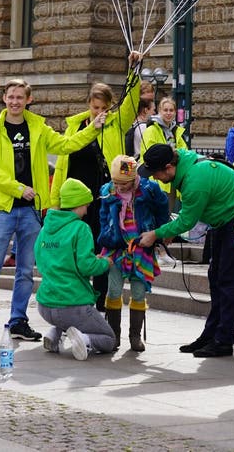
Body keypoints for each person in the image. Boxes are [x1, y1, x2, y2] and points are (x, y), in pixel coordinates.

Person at [0, 78, 108, 344]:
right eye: (11, 97)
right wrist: (18, 189)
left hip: (31, 210)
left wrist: (93, 129)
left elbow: (66, 145)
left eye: (20, 97)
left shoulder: (38, 128)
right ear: (4, 98)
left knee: (25, 270)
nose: (15, 101)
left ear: (28, 99)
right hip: (4, 209)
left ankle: (18, 321)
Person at [138, 143, 234, 357]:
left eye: (156, 174)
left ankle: (224, 340)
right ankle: (211, 334)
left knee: (229, 282)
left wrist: (155, 234)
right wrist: (167, 230)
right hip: (224, 222)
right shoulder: (184, 163)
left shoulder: (194, 180)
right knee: (216, 278)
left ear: (169, 167)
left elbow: (187, 221)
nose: (155, 178)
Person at [50, 51, 142, 309]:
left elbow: (130, 101)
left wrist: (133, 71)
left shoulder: (116, 123)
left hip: (103, 198)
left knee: (102, 245)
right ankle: (75, 295)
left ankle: (101, 298)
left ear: (110, 107)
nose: (99, 112)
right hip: (74, 201)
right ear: (88, 105)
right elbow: (62, 164)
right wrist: (55, 201)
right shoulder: (75, 126)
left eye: (103, 108)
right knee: (75, 247)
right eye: (95, 107)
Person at [34, 178, 116, 361]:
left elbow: (42, 258)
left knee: (65, 318)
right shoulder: (80, 228)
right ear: (78, 204)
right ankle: (83, 340)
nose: (86, 211)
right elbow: (86, 266)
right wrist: (105, 263)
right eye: (85, 205)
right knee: (109, 339)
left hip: (45, 304)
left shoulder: (45, 228)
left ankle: (54, 334)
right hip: (71, 304)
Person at [98, 155, 169, 351]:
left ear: (134, 178)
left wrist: (160, 233)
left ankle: (135, 336)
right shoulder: (107, 192)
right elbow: (103, 217)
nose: (119, 187)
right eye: (116, 183)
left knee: (138, 292)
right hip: (116, 248)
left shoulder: (148, 189)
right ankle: (114, 335)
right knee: (113, 290)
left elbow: (162, 209)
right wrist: (106, 236)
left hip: (141, 248)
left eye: (124, 183)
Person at [125, 96, 156, 160]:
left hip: (133, 161)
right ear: (146, 110)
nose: (154, 113)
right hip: (141, 162)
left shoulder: (132, 124)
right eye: (153, 110)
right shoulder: (144, 128)